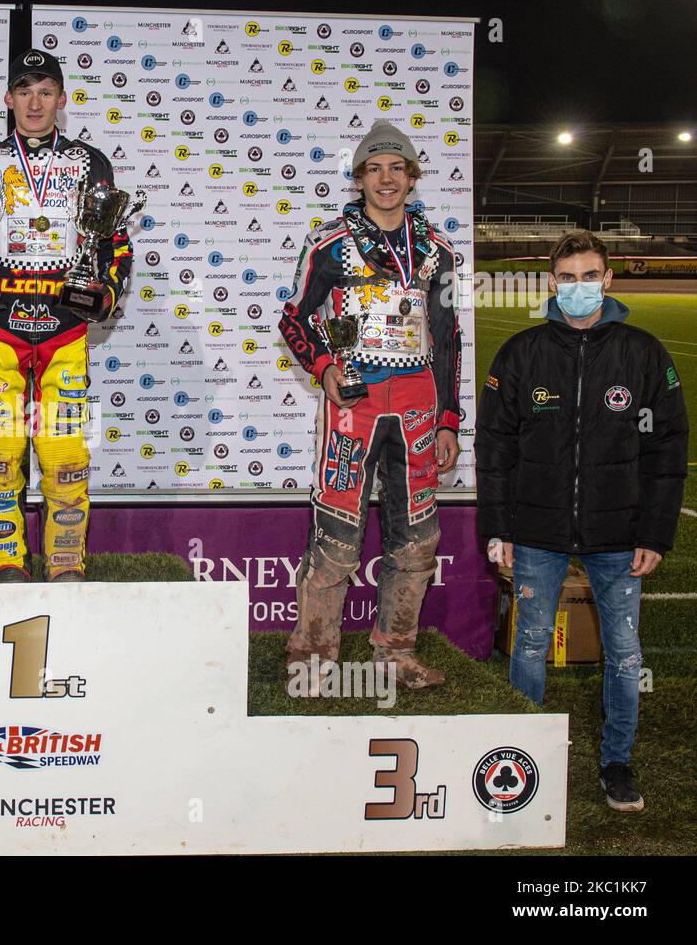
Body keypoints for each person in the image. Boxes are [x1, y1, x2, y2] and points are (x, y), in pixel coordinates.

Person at [477, 230, 687, 812]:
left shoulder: (643, 353)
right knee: (529, 644)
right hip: (536, 532)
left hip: (618, 535)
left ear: (608, 279)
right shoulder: (521, 353)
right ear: (552, 283)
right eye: (567, 278)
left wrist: (655, 532)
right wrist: (498, 528)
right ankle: (518, 758)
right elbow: (495, 448)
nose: (578, 287)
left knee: (623, 652)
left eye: (588, 275)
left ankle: (617, 762)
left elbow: (667, 449)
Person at [278, 119, 461, 690]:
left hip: (416, 403)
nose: (387, 178)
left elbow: (448, 335)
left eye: (397, 168)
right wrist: (325, 368)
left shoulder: (436, 249)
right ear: (359, 178)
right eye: (375, 168)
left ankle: (396, 653)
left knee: (418, 535)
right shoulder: (330, 242)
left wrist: (450, 418)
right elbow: (296, 318)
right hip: (352, 403)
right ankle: (313, 656)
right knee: (337, 532)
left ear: (412, 177)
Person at [0, 48, 133, 583]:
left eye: (46, 91)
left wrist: (106, 293)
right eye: (25, 92)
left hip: (64, 328)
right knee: (0, 446)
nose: (35, 103)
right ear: (8, 99)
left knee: (62, 452)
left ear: (62, 99)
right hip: (1, 327)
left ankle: (64, 562)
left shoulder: (90, 161)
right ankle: (7, 561)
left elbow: (113, 241)